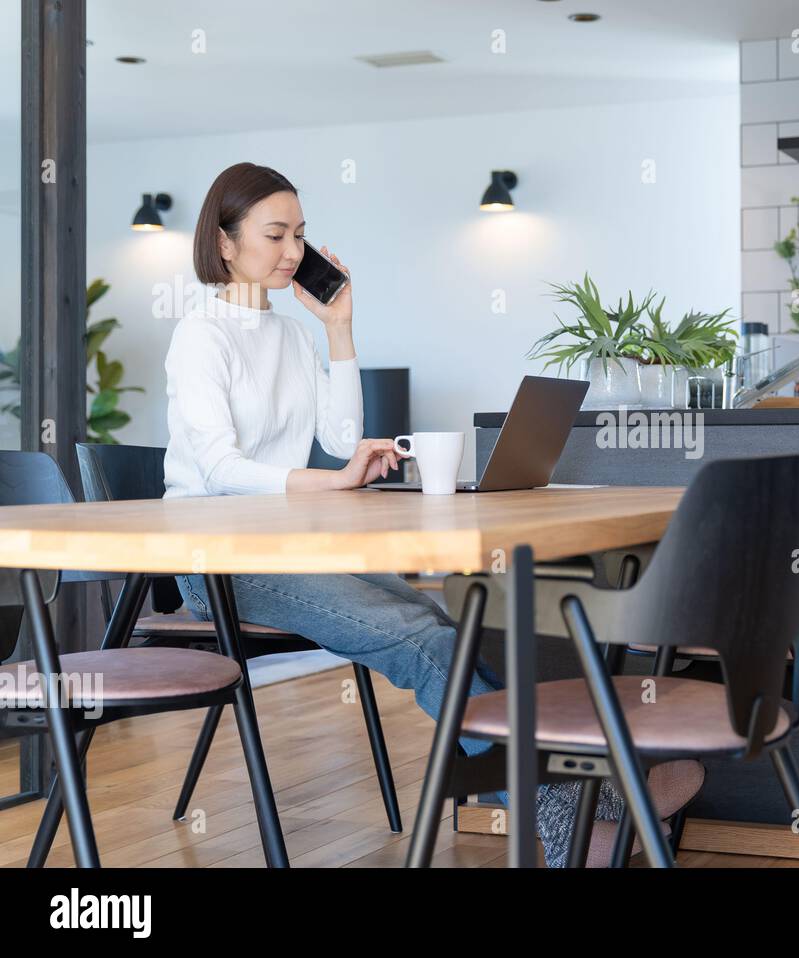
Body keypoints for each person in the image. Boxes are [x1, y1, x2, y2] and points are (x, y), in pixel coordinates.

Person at [164, 161, 701, 865]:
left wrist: (339, 328)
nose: (295, 252)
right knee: (425, 642)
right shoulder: (201, 336)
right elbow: (219, 470)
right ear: (226, 242)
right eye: (276, 235)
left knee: (455, 625)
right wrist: (332, 486)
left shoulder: (293, 336)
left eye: (301, 234)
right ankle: (576, 816)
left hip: (293, 547)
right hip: (217, 559)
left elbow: (336, 439)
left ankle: (594, 800)